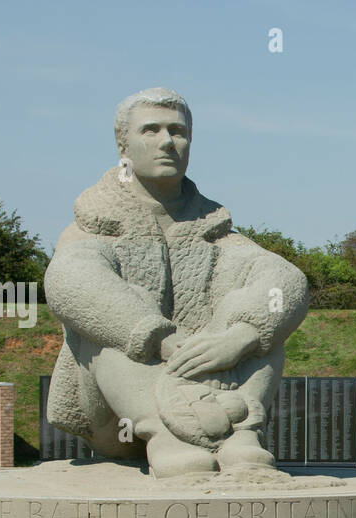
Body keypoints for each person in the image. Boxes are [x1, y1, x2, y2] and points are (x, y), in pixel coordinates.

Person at [44, 88, 307, 476]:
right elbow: (71, 280)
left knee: (259, 316)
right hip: (119, 418)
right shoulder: (92, 227)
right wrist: (162, 339)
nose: (167, 141)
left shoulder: (214, 232)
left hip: (222, 398)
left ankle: (241, 433)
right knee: (111, 310)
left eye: (178, 131)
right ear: (123, 145)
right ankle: (166, 435)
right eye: (150, 130)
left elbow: (284, 279)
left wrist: (239, 338)